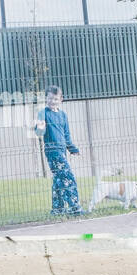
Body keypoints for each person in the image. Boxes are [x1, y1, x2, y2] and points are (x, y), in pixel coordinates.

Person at [34, 85, 83, 216]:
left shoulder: (63, 115)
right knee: (68, 177)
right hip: (52, 151)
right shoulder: (43, 113)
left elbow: (67, 135)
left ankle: (58, 209)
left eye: (55, 99)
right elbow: (39, 132)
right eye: (50, 98)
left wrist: (72, 149)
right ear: (46, 98)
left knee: (58, 180)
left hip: (62, 151)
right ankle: (75, 207)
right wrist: (41, 127)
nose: (52, 101)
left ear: (61, 99)